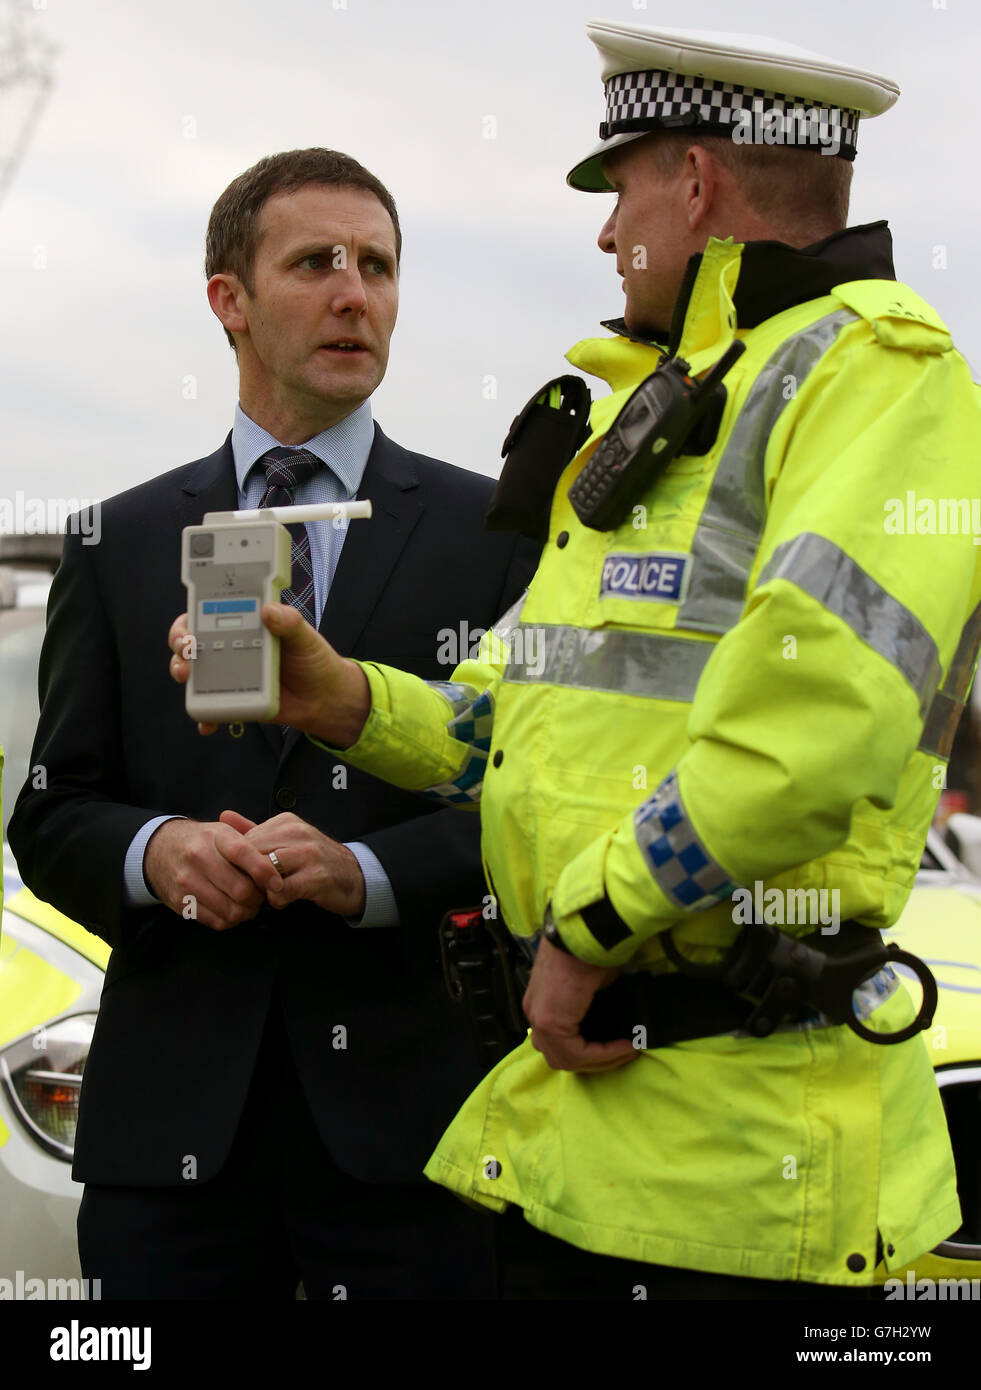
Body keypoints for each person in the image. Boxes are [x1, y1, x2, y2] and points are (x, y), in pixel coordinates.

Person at [170, 28, 981, 1299]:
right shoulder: (660, 412)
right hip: (578, 1147)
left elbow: (814, 730)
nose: (608, 239)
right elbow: (508, 722)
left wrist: (593, 923)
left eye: (621, 194)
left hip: (741, 1168)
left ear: (697, 187)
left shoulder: (876, 373)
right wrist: (342, 698)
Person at [10, 147, 537, 1299]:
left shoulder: (497, 532)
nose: (357, 293)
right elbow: (52, 815)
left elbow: (538, 800)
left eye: (380, 266)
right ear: (229, 302)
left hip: (417, 1146)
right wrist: (159, 854)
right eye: (316, 263)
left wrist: (367, 872)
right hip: (173, 1157)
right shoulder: (120, 541)